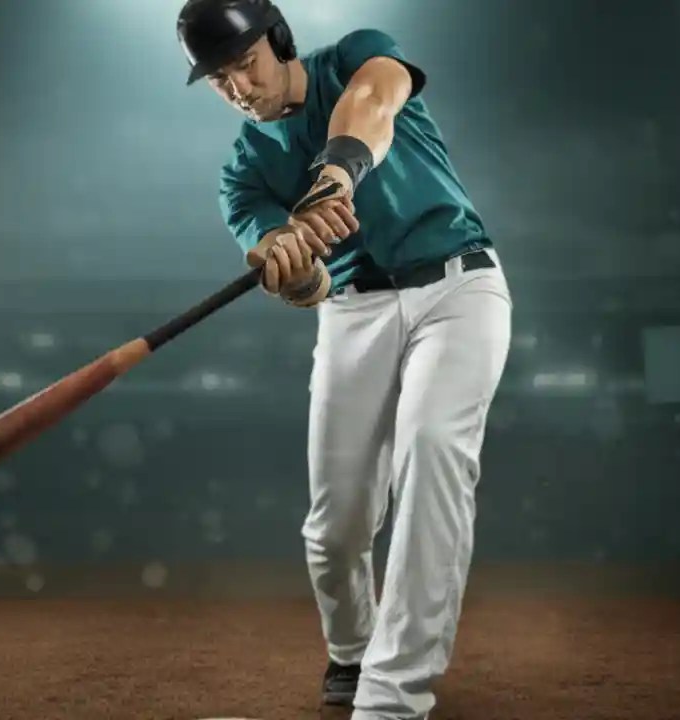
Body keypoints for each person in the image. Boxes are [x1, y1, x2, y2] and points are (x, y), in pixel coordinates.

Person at [176, 1, 513, 718]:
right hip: (353, 310)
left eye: (245, 63)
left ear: (280, 40)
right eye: (218, 78)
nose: (237, 87)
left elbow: (375, 100)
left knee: (432, 456)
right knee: (336, 530)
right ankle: (353, 652)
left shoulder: (353, 56)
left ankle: (393, 699)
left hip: (458, 285)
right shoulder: (242, 175)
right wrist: (292, 261)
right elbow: (304, 285)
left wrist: (334, 176)